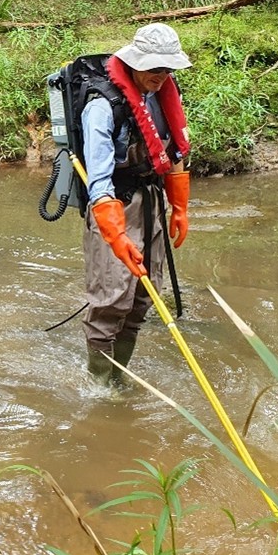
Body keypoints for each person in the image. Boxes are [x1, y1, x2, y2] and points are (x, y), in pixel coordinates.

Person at [81, 23, 192, 388]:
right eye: (155, 68)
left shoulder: (161, 95)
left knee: (143, 299)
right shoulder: (102, 105)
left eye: (167, 69)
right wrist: (115, 235)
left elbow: (174, 150)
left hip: (152, 203)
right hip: (115, 206)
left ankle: (118, 379)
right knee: (111, 301)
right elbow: (98, 181)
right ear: (134, 63)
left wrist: (180, 206)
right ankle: (98, 386)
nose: (161, 76)